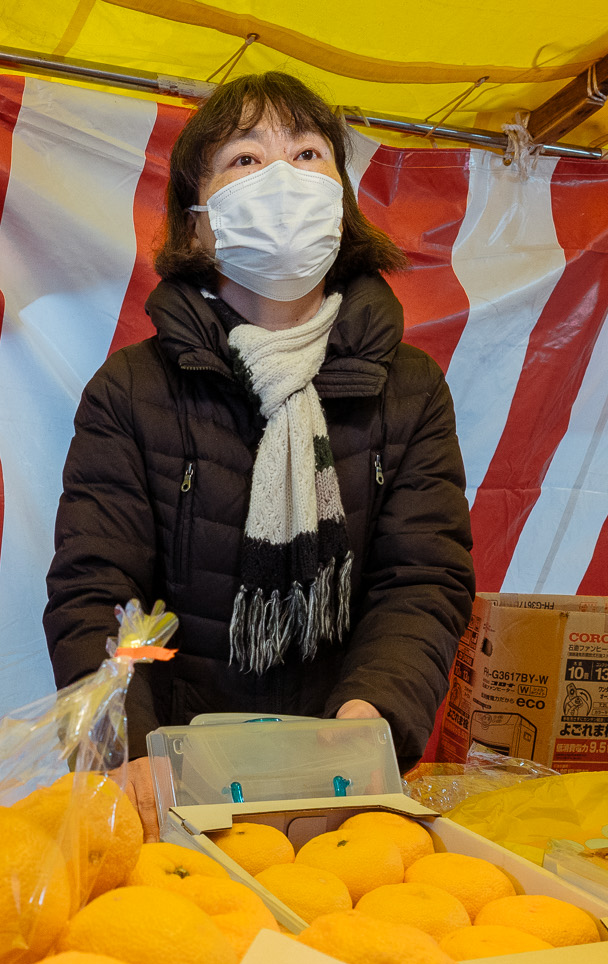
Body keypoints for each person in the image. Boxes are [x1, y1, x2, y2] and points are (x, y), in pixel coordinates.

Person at [43, 72, 476, 819]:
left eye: (308, 153)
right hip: (172, 783)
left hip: (342, 783)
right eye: (244, 158)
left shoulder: (409, 388)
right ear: (196, 223)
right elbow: (102, 594)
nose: (282, 175)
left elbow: (420, 579)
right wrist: (133, 747)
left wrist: (368, 720)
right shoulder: (131, 391)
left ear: (341, 200)